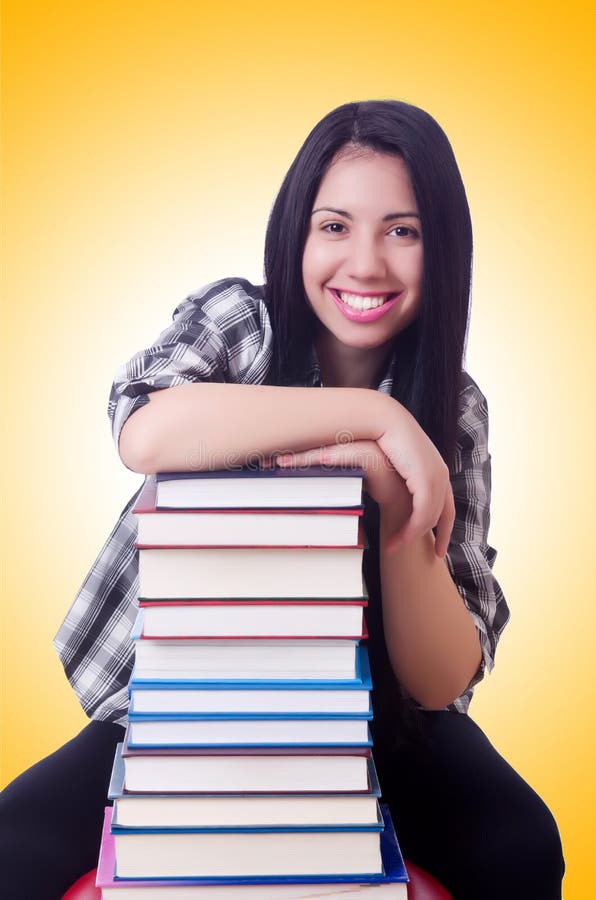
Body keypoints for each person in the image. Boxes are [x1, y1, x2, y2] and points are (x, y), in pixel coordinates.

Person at [0, 100, 564, 899]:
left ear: (444, 250)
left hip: (376, 721)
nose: (364, 264)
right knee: (10, 850)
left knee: (519, 848)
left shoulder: (457, 407)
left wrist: (395, 504)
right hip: (176, 709)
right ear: (297, 231)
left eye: (402, 231)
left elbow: (441, 678)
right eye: (335, 226)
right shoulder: (241, 324)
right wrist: (376, 419)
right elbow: (145, 431)